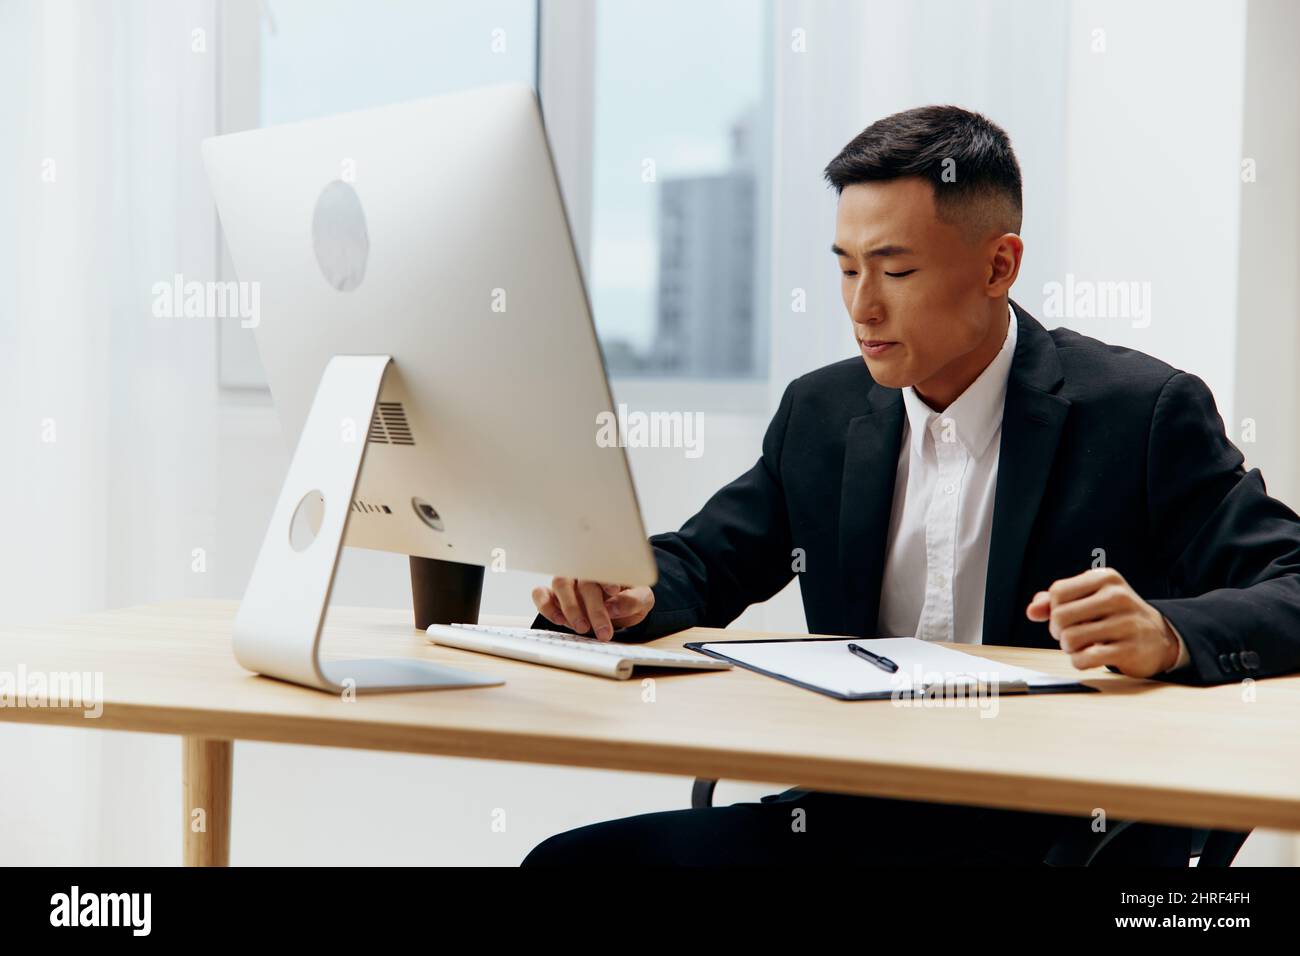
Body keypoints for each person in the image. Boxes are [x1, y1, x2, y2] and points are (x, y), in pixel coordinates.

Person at [521, 105, 1300, 866]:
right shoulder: (821, 414)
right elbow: (709, 560)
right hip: (851, 818)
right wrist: (631, 592)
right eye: (847, 267)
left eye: (896, 270)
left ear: (999, 266)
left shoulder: (1140, 414)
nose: (863, 306)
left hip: (1055, 835)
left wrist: (1165, 633)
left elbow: (1291, 583)